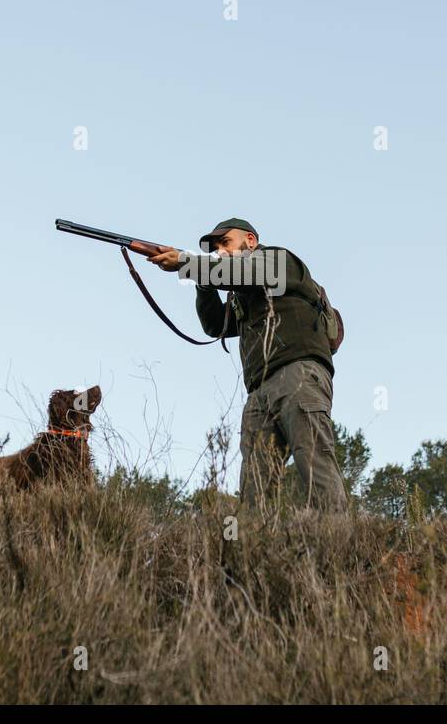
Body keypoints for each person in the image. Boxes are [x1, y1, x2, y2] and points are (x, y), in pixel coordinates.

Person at [146, 218, 347, 512]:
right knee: (255, 485)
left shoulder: (279, 261)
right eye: (215, 248)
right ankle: (255, 552)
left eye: (225, 243)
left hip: (299, 373)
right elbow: (215, 325)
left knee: (315, 464)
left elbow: (243, 273)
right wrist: (201, 281)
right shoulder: (244, 293)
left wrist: (188, 263)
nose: (220, 251)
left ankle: (340, 546)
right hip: (259, 390)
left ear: (250, 240)